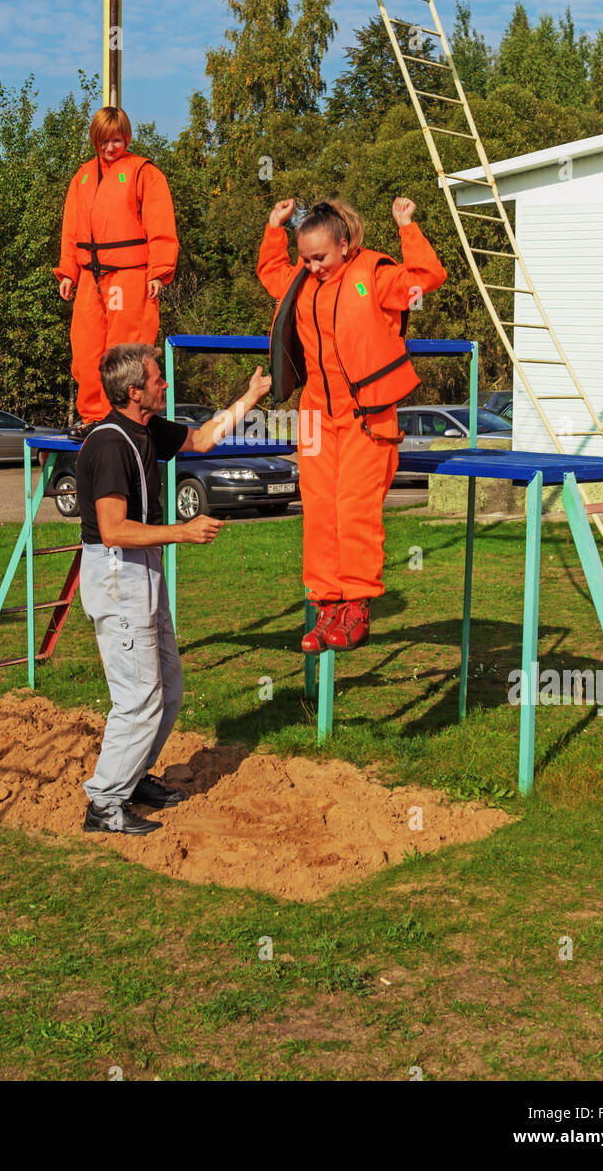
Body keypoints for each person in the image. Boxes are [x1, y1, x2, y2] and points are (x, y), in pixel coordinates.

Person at [77, 341, 272, 835]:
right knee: (139, 696)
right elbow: (113, 529)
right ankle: (104, 804)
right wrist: (183, 532)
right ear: (134, 391)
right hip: (119, 571)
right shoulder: (109, 444)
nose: (165, 382)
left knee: (169, 689)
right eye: (157, 377)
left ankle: (133, 776)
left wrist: (249, 397)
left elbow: (204, 439)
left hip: (142, 568)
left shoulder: (147, 429)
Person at [257, 195, 447, 653]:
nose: (312, 266)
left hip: (367, 412)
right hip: (315, 414)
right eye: (305, 258)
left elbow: (426, 278)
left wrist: (407, 227)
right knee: (319, 510)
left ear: (344, 245)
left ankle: (357, 606)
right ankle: (326, 606)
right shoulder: (302, 280)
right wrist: (272, 228)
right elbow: (271, 275)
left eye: (319, 257)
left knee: (354, 508)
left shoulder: (374, 275)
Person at [55, 107, 179, 437]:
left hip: (131, 275)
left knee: (125, 353)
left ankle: (125, 417)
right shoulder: (82, 177)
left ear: (127, 138)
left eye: (118, 140)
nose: (111, 147)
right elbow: (70, 229)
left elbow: (161, 224)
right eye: (105, 141)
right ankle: (93, 417)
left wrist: (158, 271)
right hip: (89, 278)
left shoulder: (143, 173)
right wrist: (68, 270)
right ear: (95, 141)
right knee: (85, 352)